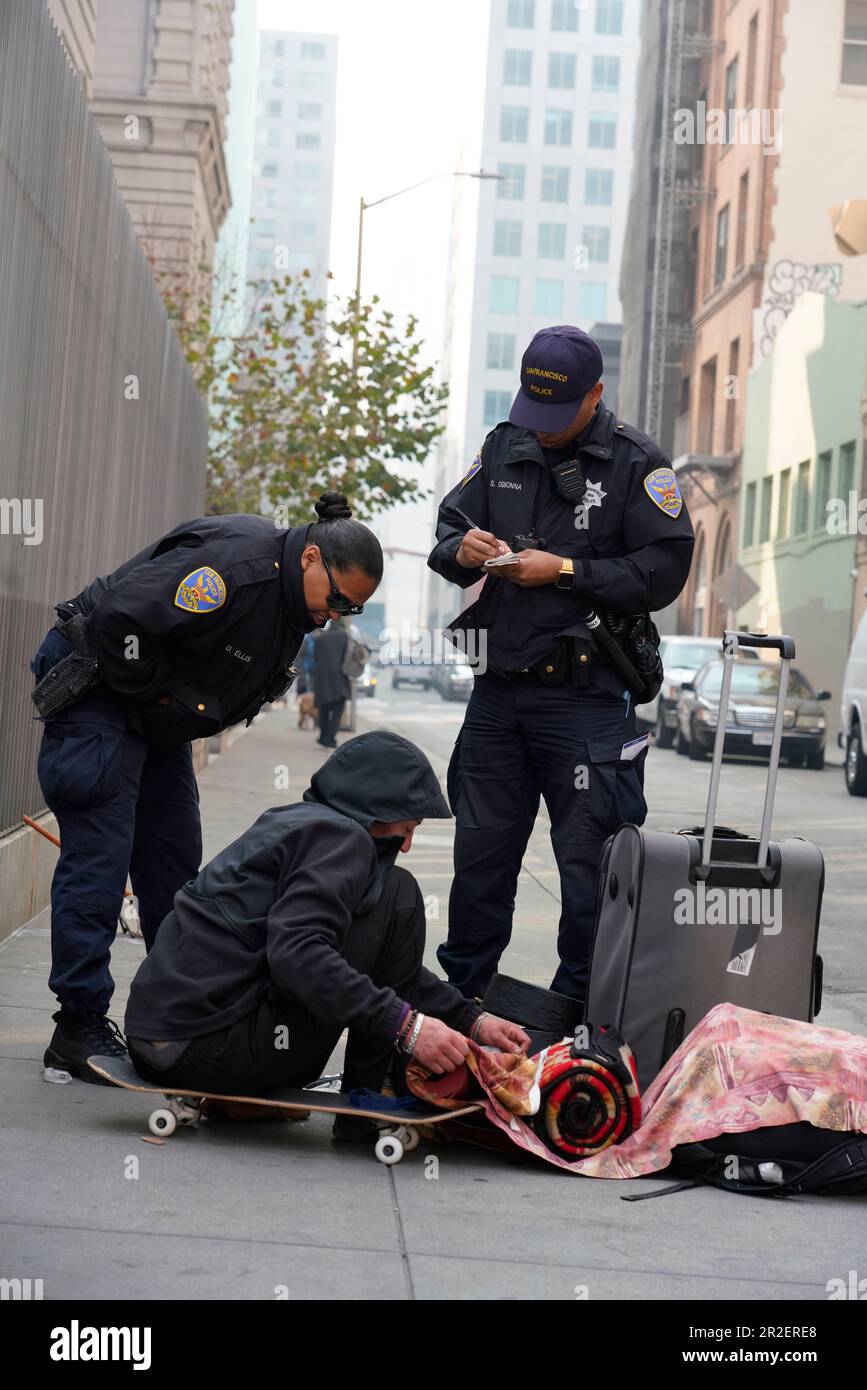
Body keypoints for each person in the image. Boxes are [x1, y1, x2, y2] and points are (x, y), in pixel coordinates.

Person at [32, 491, 381, 1081]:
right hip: (103, 693)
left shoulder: (291, 607)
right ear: (312, 559)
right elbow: (120, 623)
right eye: (338, 599)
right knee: (100, 860)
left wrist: (167, 706)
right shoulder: (235, 569)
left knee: (174, 864)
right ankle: (78, 1025)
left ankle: (175, 1017)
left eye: (352, 611)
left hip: (153, 717)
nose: (336, 616)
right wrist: (162, 694)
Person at [428, 325, 695, 1005]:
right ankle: (461, 1016)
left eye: (557, 416)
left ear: (595, 395)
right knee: (479, 867)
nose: (541, 431)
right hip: (498, 698)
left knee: (590, 877)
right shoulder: (502, 446)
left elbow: (663, 570)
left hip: (585, 703)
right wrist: (462, 549)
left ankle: (578, 1024)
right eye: (533, 412)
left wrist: (568, 571)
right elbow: (447, 528)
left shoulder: (638, 464)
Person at [123, 731, 529, 1140]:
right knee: (399, 893)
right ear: (375, 811)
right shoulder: (343, 840)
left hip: (159, 1040)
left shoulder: (297, 822)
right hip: (208, 1046)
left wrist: (470, 1020)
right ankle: (365, 1103)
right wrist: (408, 1028)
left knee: (380, 907)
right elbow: (298, 955)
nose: (406, 845)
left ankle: (245, 1100)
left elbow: (375, 959)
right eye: (408, 828)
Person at [312, 617, 350, 748]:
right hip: (340, 680)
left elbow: (316, 658)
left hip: (322, 680)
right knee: (337, 712)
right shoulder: (345, 637)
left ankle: (323, 737)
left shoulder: (320, 639)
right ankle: (331, 739)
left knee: (324, 710)